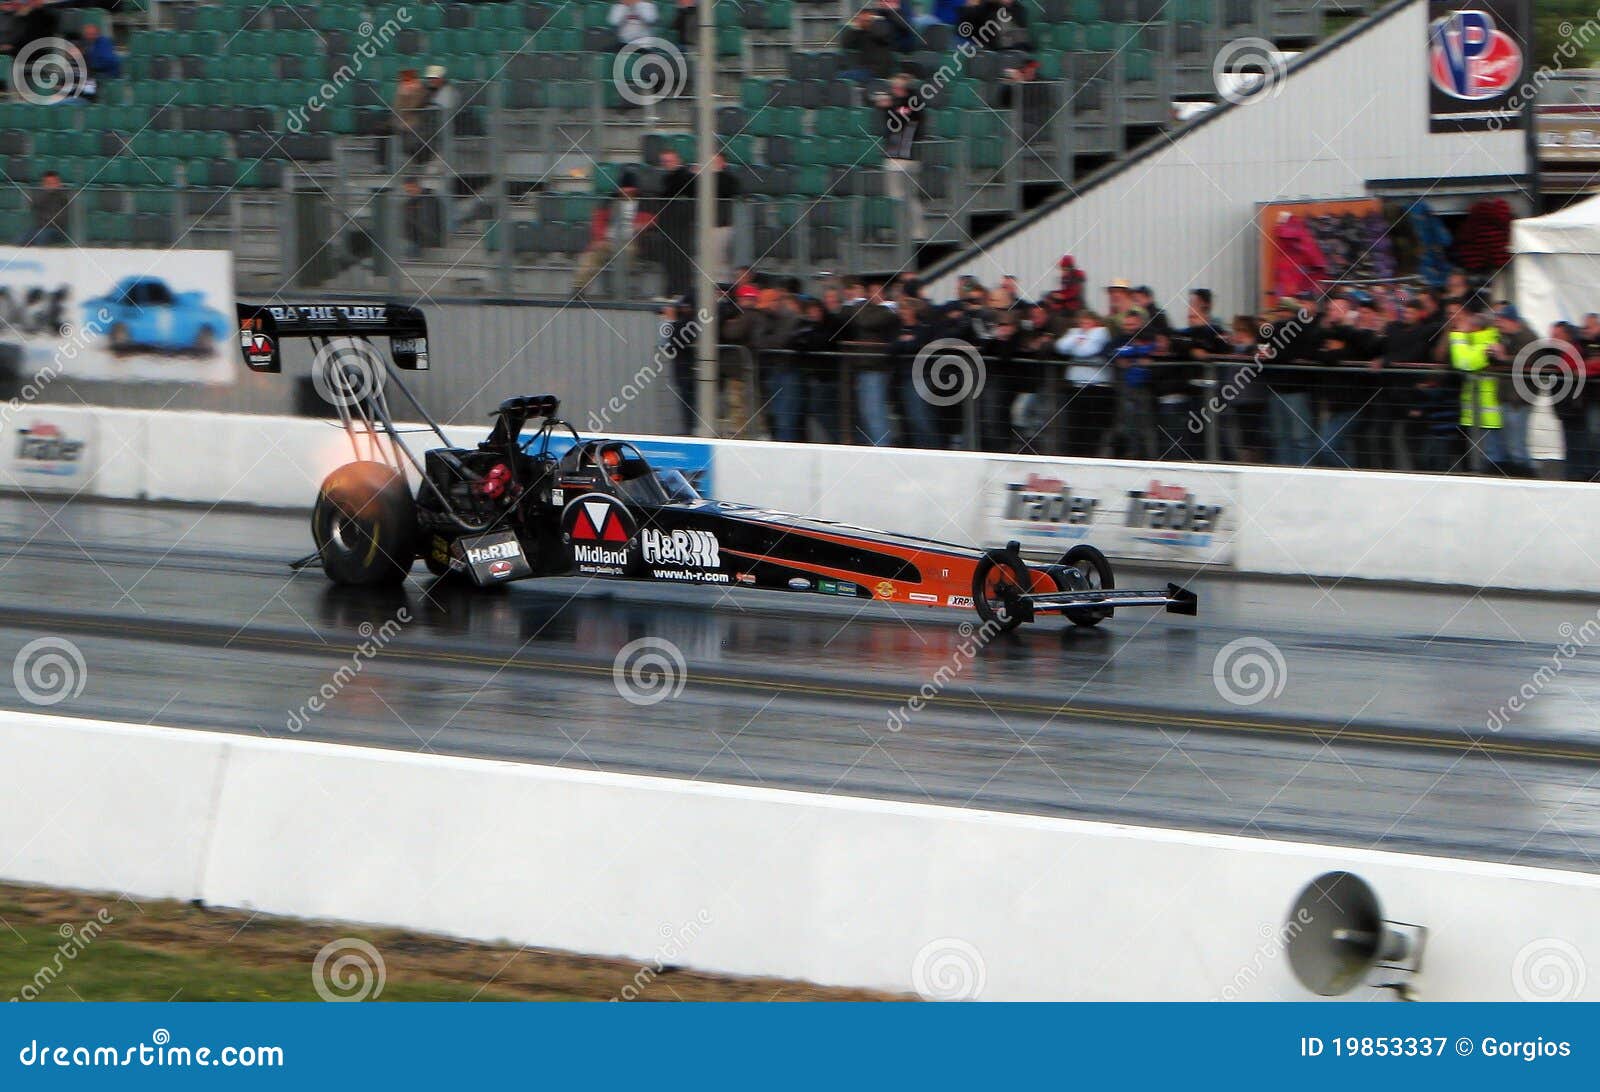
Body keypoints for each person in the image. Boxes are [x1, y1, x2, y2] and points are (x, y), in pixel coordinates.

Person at [835, 283, 900, 445]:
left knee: (874, 412)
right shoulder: (861, 309)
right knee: (865, 412)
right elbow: (841, 319)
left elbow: (866, 321)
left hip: (876, 367)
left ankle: (883, 449)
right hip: (863, 366)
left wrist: (857, 303)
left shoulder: (888, 310)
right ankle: (873, 447)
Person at [573, 170, 651, 297]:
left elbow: (651, 220)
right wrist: (599, 238)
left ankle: (623, 289)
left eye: (629, 189)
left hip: (630, 240)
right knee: (590, 256)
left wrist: (640, 226)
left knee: (627, 252)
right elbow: (598, 221)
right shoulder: (608, 201)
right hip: (607, 240)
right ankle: (578, 289)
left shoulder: (645, 202)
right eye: (624, 189)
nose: (626, 192)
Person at [1446, 307, 1503, 473]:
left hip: (1487, 418)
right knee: (1479, 463)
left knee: (1488, 464)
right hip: (1476, 415)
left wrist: (1458, 335)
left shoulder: (1486, 344)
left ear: (1476, 328)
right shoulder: (1478, 342)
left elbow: (1464, 362)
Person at [875, 74, 927, 243]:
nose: (894, 90)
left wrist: (888, 106)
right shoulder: (896, 104)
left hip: (907, 158)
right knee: (895, 198)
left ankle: (917, 232)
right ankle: (901, 230)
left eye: (898, 87)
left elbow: (903, 116)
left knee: (909, 198)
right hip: (893, 157)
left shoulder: (914, 104)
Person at [1054, 311, 1113, 457]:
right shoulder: (1075, 333)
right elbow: (1060, 346)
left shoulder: (1102, 333)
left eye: (1088, 322)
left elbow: (1087, 351)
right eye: (1082, 322)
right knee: (1075, 424)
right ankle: (1076, 454)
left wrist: (1077, 342)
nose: (1084, 325)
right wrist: (1078, 338)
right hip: (1076, 386)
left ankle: (1092, 455)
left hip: (1096, 386)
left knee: (1093, 426)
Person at [1486, 304, 1536, 476]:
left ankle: (1529, 479)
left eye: (1501, 320)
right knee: (1508, 444)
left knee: (1517, 446)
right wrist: (1491, 354)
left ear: (1511, 321)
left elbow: (1527, 361)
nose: (1499, 324)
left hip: (1518, 400)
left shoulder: (1528, 337)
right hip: (1506, 396)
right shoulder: (1505, 337)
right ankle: (1517, 478)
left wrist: (1502, 357)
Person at [651, 149, 696, 299]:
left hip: (681, 224)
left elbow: (671, 193)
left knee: (681, 259)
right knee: (669, 260)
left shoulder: (686, 176)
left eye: (669, 161)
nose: (666, 164)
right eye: (664, 162)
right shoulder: (666, 178)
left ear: (677, 160)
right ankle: (672, 290)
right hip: (667, 225)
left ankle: (683, 292)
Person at [841, 8, 895, 82]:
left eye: (866, 20)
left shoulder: (883, 26)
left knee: (843, 76)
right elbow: (846, 44)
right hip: (864, 68)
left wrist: (872, 22)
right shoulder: (860, 32)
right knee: (841, 76)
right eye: (860, 19)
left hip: (879, 69)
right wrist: (855, 27)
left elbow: (880, 35)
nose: (863, 22)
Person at [17, 170, 69, 246]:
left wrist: (47, 220)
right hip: (39, 228)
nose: (51, 185)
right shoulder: (41, 196)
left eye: (53, 182)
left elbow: (60, 219)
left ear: (58, 182)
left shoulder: (64, 196)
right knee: (22, 238)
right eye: (48, 183)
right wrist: (46, 193)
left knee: (41, 236)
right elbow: (35, 208)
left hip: (58, 230)